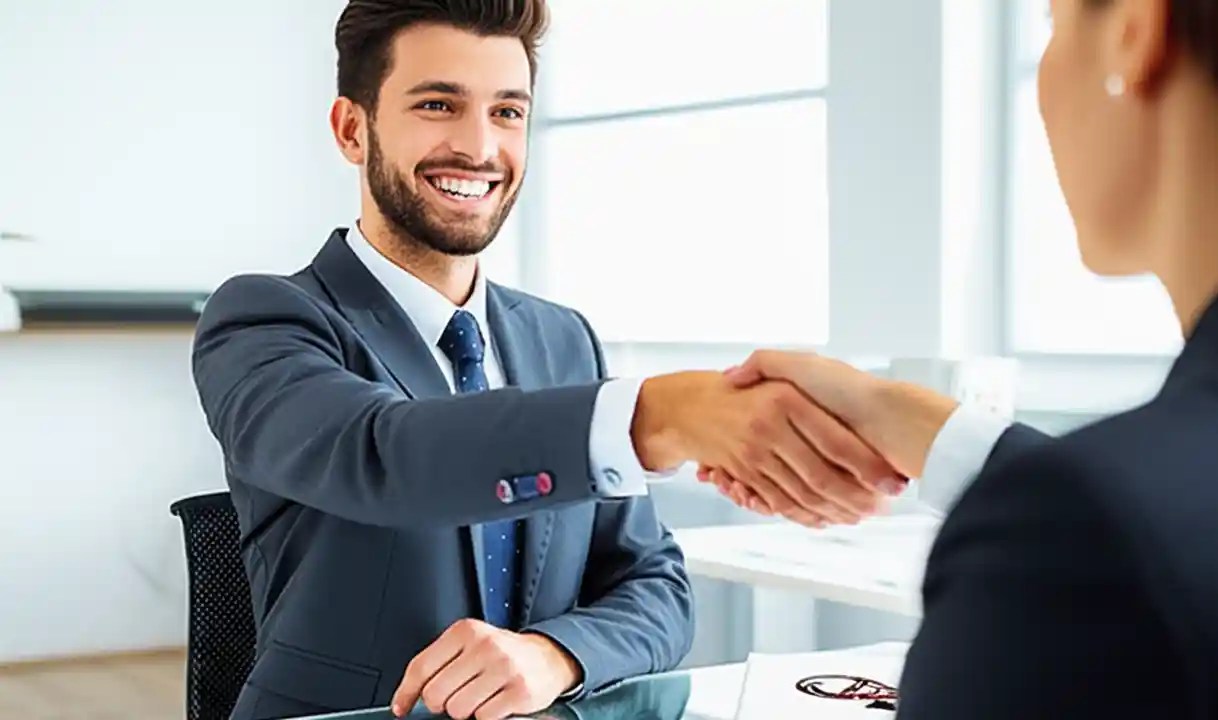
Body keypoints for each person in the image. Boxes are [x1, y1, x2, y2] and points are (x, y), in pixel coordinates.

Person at [191, 2, 902, 719]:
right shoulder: (265, 320)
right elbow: (384, 456)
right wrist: (659, 416)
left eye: (507, 112)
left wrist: (554, 654)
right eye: (439, 104)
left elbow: (656, 588)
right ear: (353, 129)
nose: (478, 147)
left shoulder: (564, 340)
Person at [704, 0, 1218, 716]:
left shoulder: (1073, 548)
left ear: (1137, 32)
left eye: (1053, 23)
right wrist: (918, 422)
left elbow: (1123, 537)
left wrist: (1041, 509)